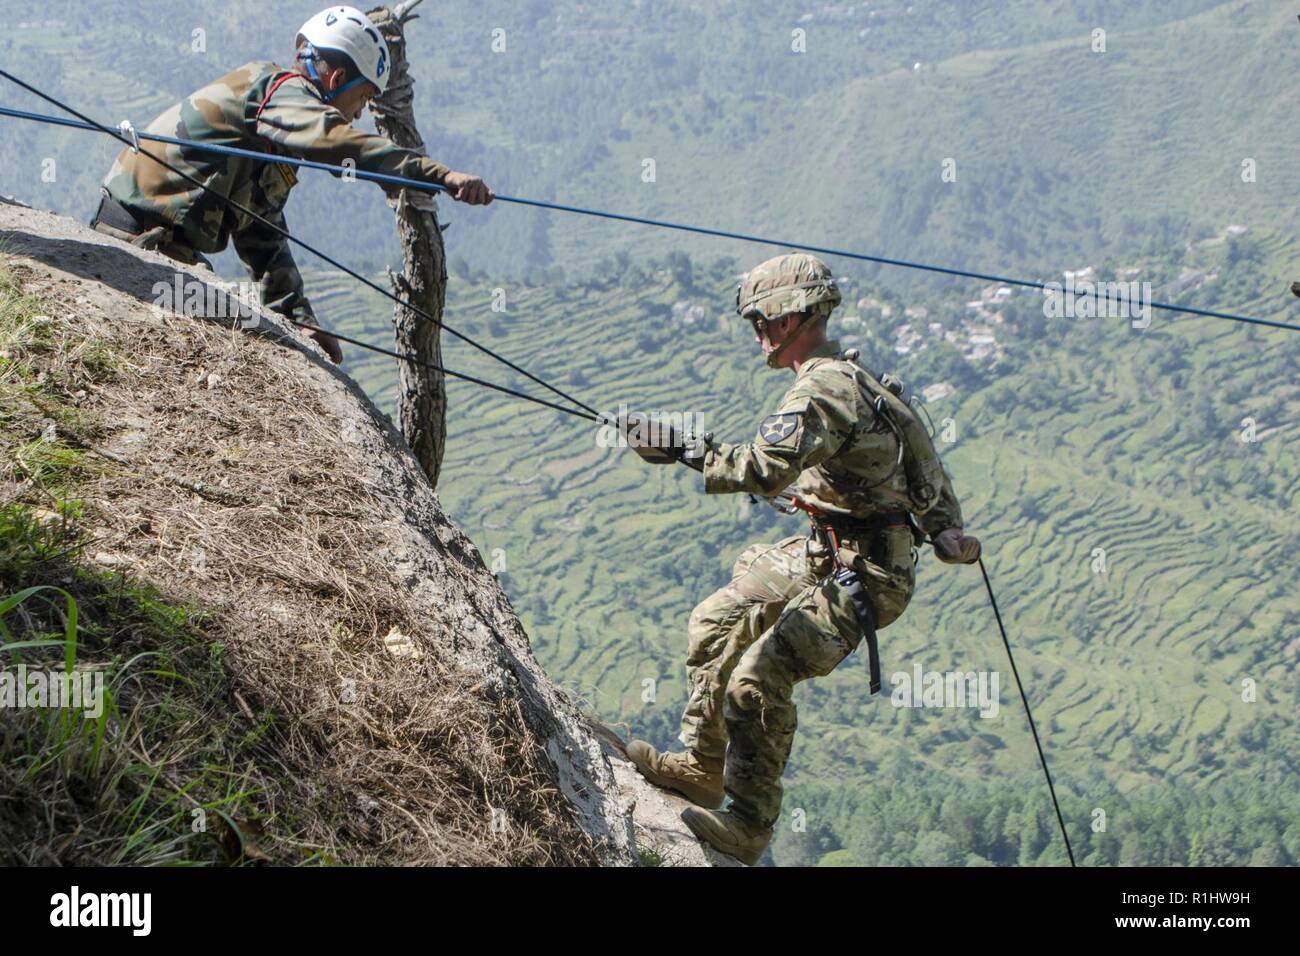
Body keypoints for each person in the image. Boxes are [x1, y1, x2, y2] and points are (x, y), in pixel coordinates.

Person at [627, 252, 982, 865]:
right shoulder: (862, 381)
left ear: (795, 316)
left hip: (867, 574)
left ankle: (749, 822)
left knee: (757, 680)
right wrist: (946, 530)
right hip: (829, 551)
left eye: (762, 320)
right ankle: (702, 766)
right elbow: (923, 461)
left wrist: (681, 447)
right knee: (718, 620)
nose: (758, 334)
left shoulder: (823, 387)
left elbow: (762, 468)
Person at [91, 5, 493, 363]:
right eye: (362, 98)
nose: (357, 115)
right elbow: (337, 140)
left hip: (157, 245)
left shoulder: (275, 128)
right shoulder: (277, 90)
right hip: (138, 241)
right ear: (336, 77)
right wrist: (440, 175)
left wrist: (299, 318)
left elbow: (260, 228)